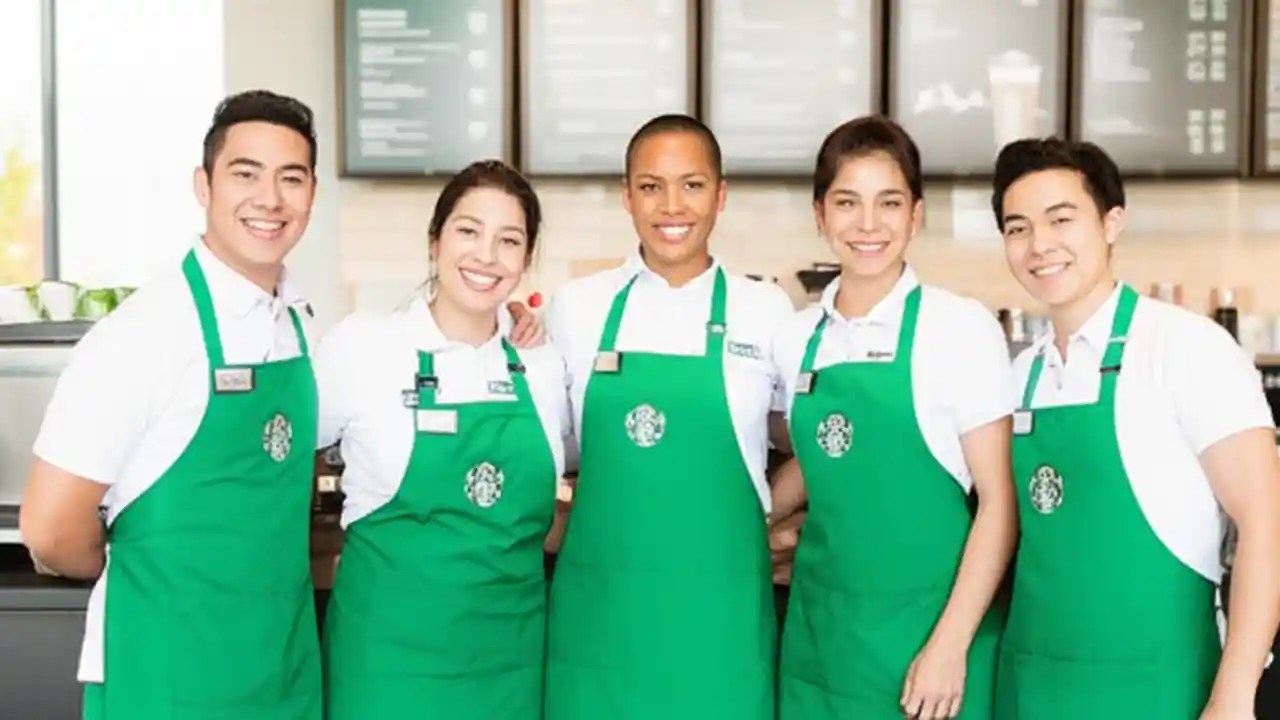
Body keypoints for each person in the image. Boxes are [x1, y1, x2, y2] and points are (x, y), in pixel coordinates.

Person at [19, 90, 325, 719]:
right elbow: (50, 529)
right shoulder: (145, 332)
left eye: (289, 179)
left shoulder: (298, 324)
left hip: (279, 670)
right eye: (246, 174)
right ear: (203, 186)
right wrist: (143, 572)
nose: (269, 199)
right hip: (167, 677)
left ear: (311, 195)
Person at [990, 137, 1280, 719]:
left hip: (1158, 685)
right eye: (1017, 228)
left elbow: (1265, 524)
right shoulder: (1023, 371)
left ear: (1111, 222)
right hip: (1034, 681)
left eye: (1061, 219)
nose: (1039, 245)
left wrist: (1233, 695)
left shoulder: (1186, 347)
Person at [541, 114, 795, 719]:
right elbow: (543, 450)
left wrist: (765, 510)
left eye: (692, 184)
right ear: (627, 197)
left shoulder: (766, 311)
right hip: (601, 617)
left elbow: (810, 441)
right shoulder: (577, 308)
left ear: (721, 195)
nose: (671, 206)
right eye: (651, 186)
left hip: (720, 619)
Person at [769, 115, 1017, 720]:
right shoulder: (796, 338)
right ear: (819, 214)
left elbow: (999, 503)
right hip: (818, 645)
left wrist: (949, 646)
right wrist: (753, 524)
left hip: (926, 652)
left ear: (917, 214)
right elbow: (822, 455)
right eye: (847, 202)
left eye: (889, 202)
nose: (868, 224)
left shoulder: (958, 328)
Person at [316, 159, 566, 718]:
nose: (486, 256)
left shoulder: (543, 366)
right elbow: (281, 461)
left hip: (511, 667)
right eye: (468, 231)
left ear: (526, 260)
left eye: (509, 240)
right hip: (389, 668)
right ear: (435, 242)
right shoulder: (366, 347)